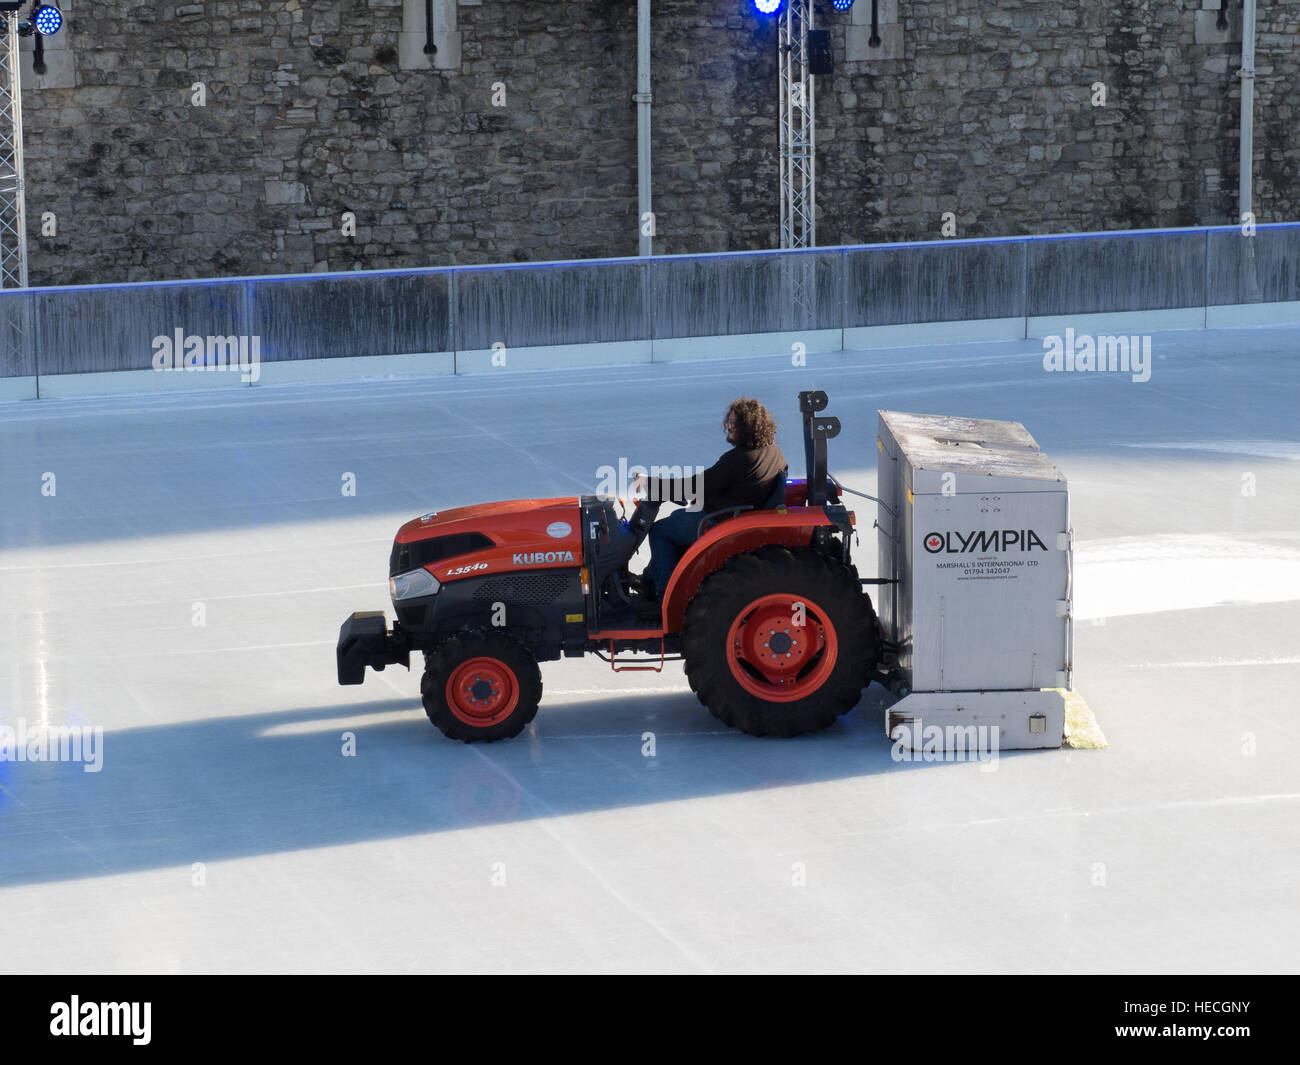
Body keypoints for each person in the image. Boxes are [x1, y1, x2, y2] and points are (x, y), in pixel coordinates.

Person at [633, 397, 787, 609]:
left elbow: (694, 485)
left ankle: (665, 600)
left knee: (660, 531)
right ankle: (649, 583)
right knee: (675, 519)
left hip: (720, 522)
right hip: (734, 512)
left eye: (733, 423)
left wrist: (650, 482)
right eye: (728, 421)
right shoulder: (772, 451)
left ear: (748, 426)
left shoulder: (738, 460)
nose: (727, 426)